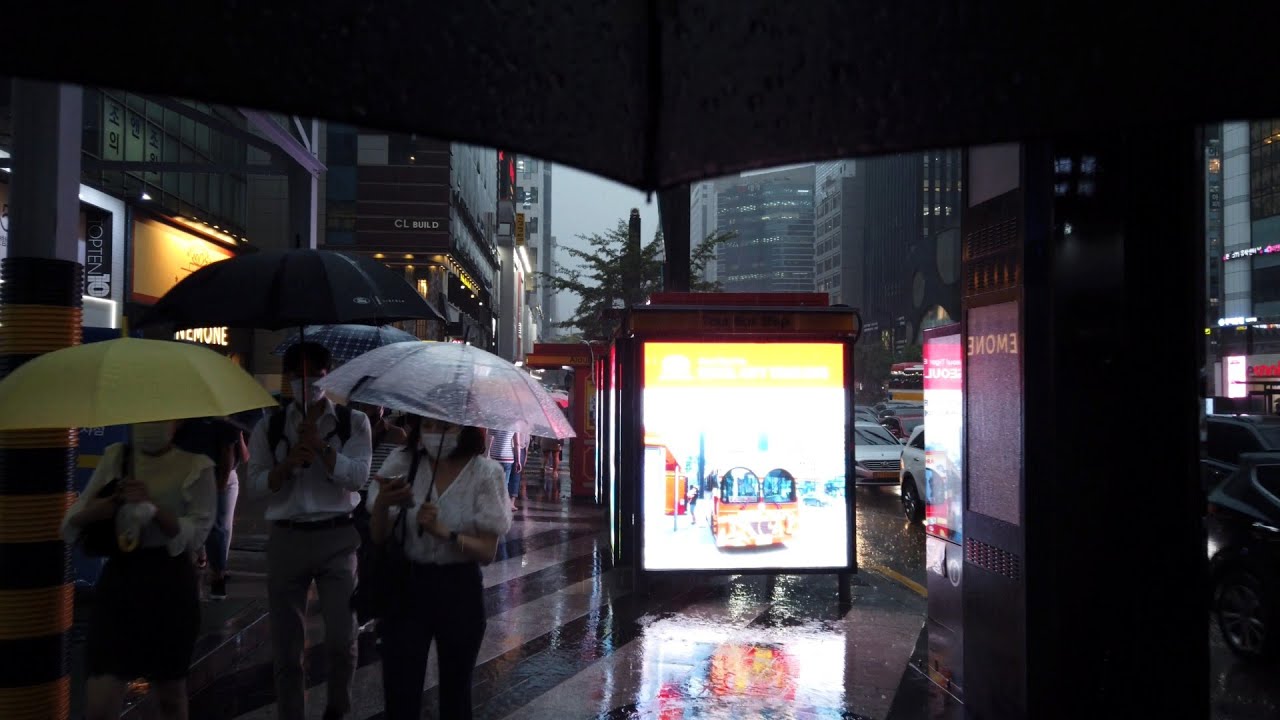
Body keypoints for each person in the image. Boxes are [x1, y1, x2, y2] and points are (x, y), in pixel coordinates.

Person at [247, 342, 372, 720]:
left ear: (327, 375)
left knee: (340, 638)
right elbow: (254, 485)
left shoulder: (353, 422)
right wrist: (285, 467)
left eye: (315, 374)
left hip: (337, 537)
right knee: (286, 647)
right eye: (298, 375)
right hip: (287, 537)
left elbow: (358, 477)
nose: (308, 382)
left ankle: (338, 708)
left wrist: (321, 449)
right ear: (287, 379)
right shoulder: (269, 426)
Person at [62, 421, 217, 720]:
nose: (150, 426)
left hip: (170, 583)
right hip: (121, 580)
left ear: (176, 423)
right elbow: (73, 518)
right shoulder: (116, 456)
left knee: (170, 695)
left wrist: (154, 509)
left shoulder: (197, 467)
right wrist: (110, 503)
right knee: (100, 700)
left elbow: (196, 533)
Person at [369, 416, 513, 720]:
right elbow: (378, 536)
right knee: (400, 691)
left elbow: (487, 552)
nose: (435, 434)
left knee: (456, 693)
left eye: (445, 426)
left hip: (459, 589)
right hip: (406, 586)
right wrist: (383, 504)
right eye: (428, 426)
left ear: (463, 429)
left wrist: (444, 532)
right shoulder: (402, 462)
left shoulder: (485, 473)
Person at [174, 416, 248, 600]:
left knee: (219, 528)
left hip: (219, 477)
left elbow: (234, 454)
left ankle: (217, 574)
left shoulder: (224, 423)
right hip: (193, 476)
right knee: (203, 526)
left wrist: (220, 487)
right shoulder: (187, 423)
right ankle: (206, 565)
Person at [487, 426, 519, 511]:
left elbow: (490, 439)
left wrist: (487, 454)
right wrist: (518, 460)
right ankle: (502, 503)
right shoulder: (515, 425)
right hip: (508, 457)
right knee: (505, 482)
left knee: (493, 481)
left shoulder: (494, 423)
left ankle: (493, 502)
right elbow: (517, 444)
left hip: (494, 456)